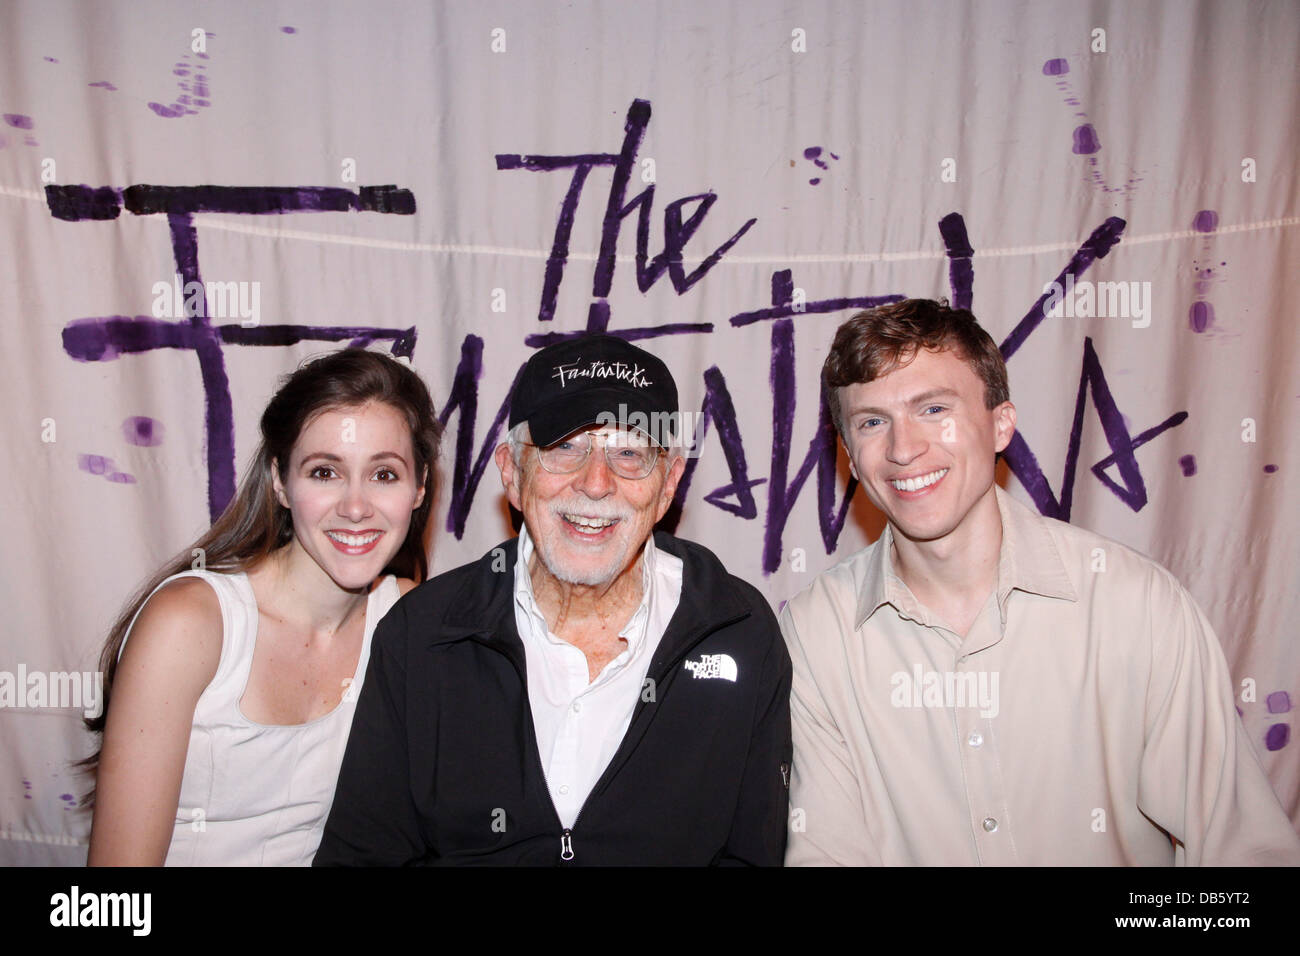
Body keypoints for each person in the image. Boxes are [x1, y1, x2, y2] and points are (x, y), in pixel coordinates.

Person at [782, 298, 1300, 866]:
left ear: (1001, 424)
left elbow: (1244, 856)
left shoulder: (1134, 605)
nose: (905, 449)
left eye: (933, 409)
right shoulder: (813, 634)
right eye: (873, 422)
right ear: (850, 456)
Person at [315, 333, 791, 865]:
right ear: (513, 473)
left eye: (629, 453)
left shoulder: (741, 634)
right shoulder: (421, 636)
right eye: (564, 447)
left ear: (669, 484)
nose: (594, 483)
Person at [85, 348, 441, 866]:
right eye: (325, 472)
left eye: (384, 474)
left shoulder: (410, 619)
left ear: (419, 487)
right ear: (280, 481)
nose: (356, 506)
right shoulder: (191, 623)